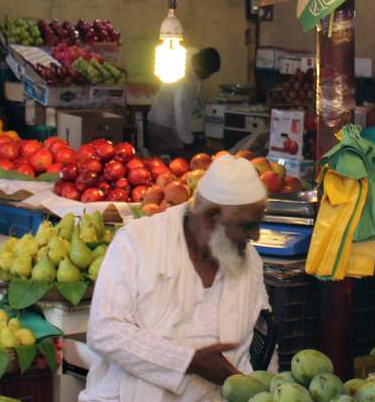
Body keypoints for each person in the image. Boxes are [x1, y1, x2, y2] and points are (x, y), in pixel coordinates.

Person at [82, 155, 271, 402]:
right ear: (212, 216)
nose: (255, 235)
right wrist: (188, 361)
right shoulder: (139, 241)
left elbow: (262, 334)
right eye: (247, 226)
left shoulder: (249, 260)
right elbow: (104, 331)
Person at [149, 47, 220, 154]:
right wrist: (187, 141)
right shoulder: (184, 82)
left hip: (162, 123)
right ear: (197, 66)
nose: (208, 77)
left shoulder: (190, 54)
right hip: (163, 127)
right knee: (169, 163)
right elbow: (181, 111)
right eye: (206, 73)